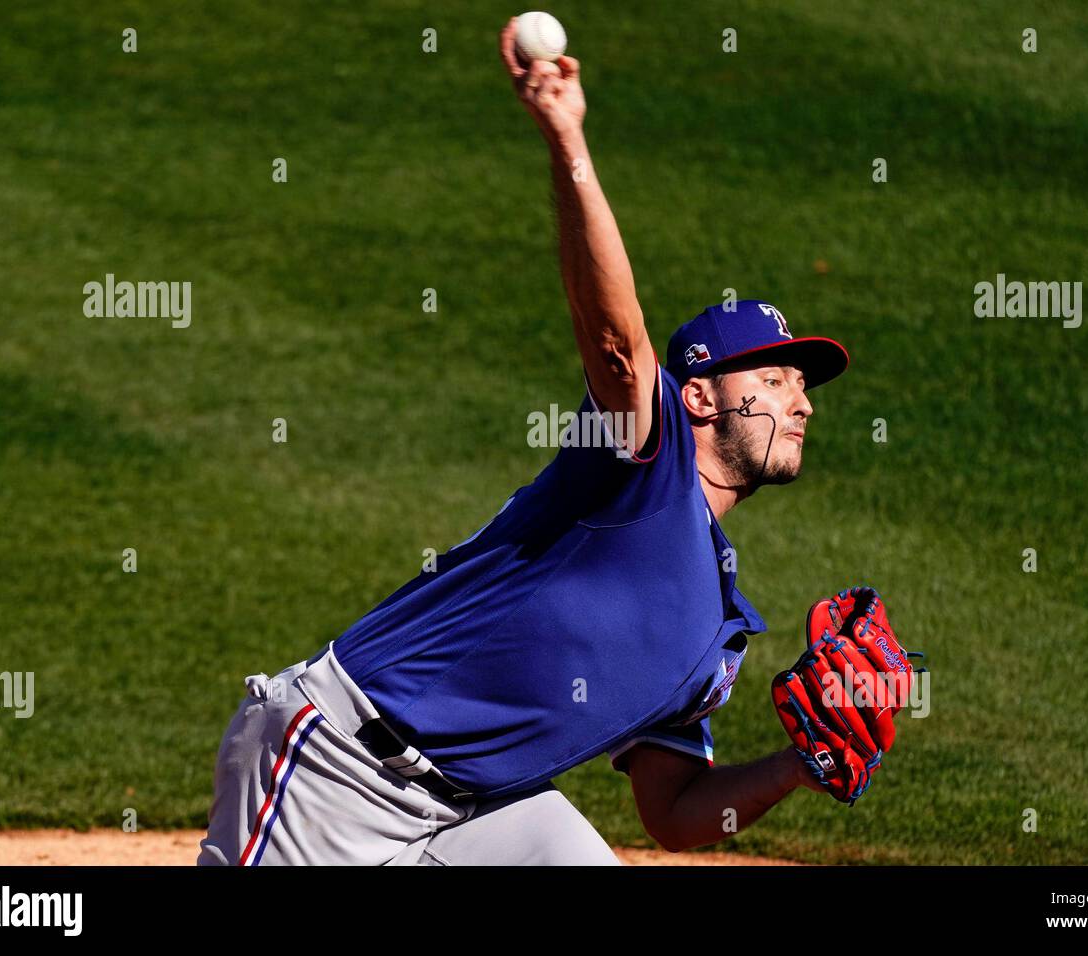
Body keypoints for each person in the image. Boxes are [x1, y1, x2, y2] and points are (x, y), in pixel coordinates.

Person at [196, 17, 850, 866]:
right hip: (340, 768)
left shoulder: (717, 625)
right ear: (695, 395)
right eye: (770, 377)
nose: (797, 399)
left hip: (472, 813)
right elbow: (616, 341)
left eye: (803, 383)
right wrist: (567, 140)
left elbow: (678, 813)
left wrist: (800, 766)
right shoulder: (641, 472)